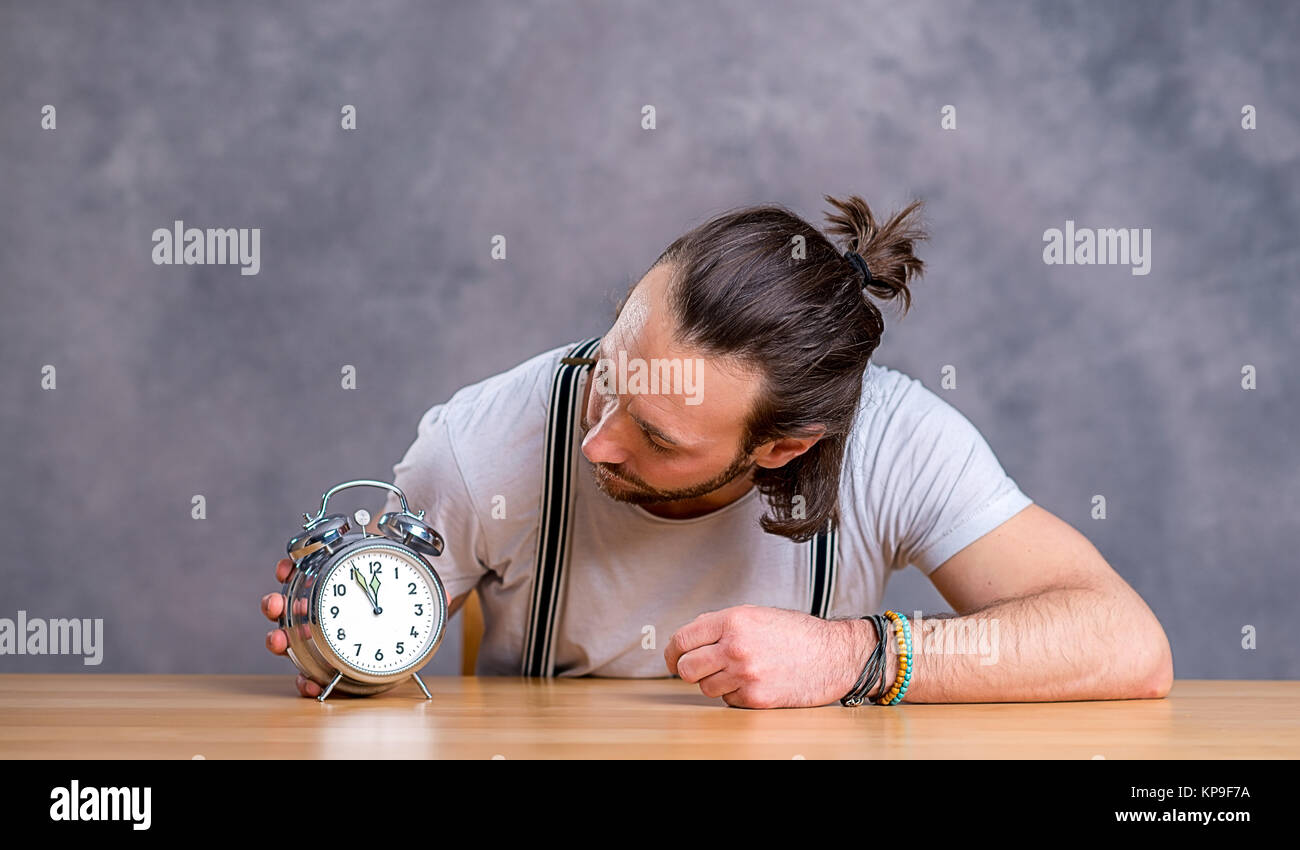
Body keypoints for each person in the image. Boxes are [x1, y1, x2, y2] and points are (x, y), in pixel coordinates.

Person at [260, 194, 1173, 708]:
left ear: (784, 446)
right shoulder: (483, 440)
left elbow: (1125, 643)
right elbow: (368, 649)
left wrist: (853, 658)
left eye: (656, 437)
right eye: (611, 366)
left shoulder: (898, 442)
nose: (597, 437)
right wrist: (334, 652)